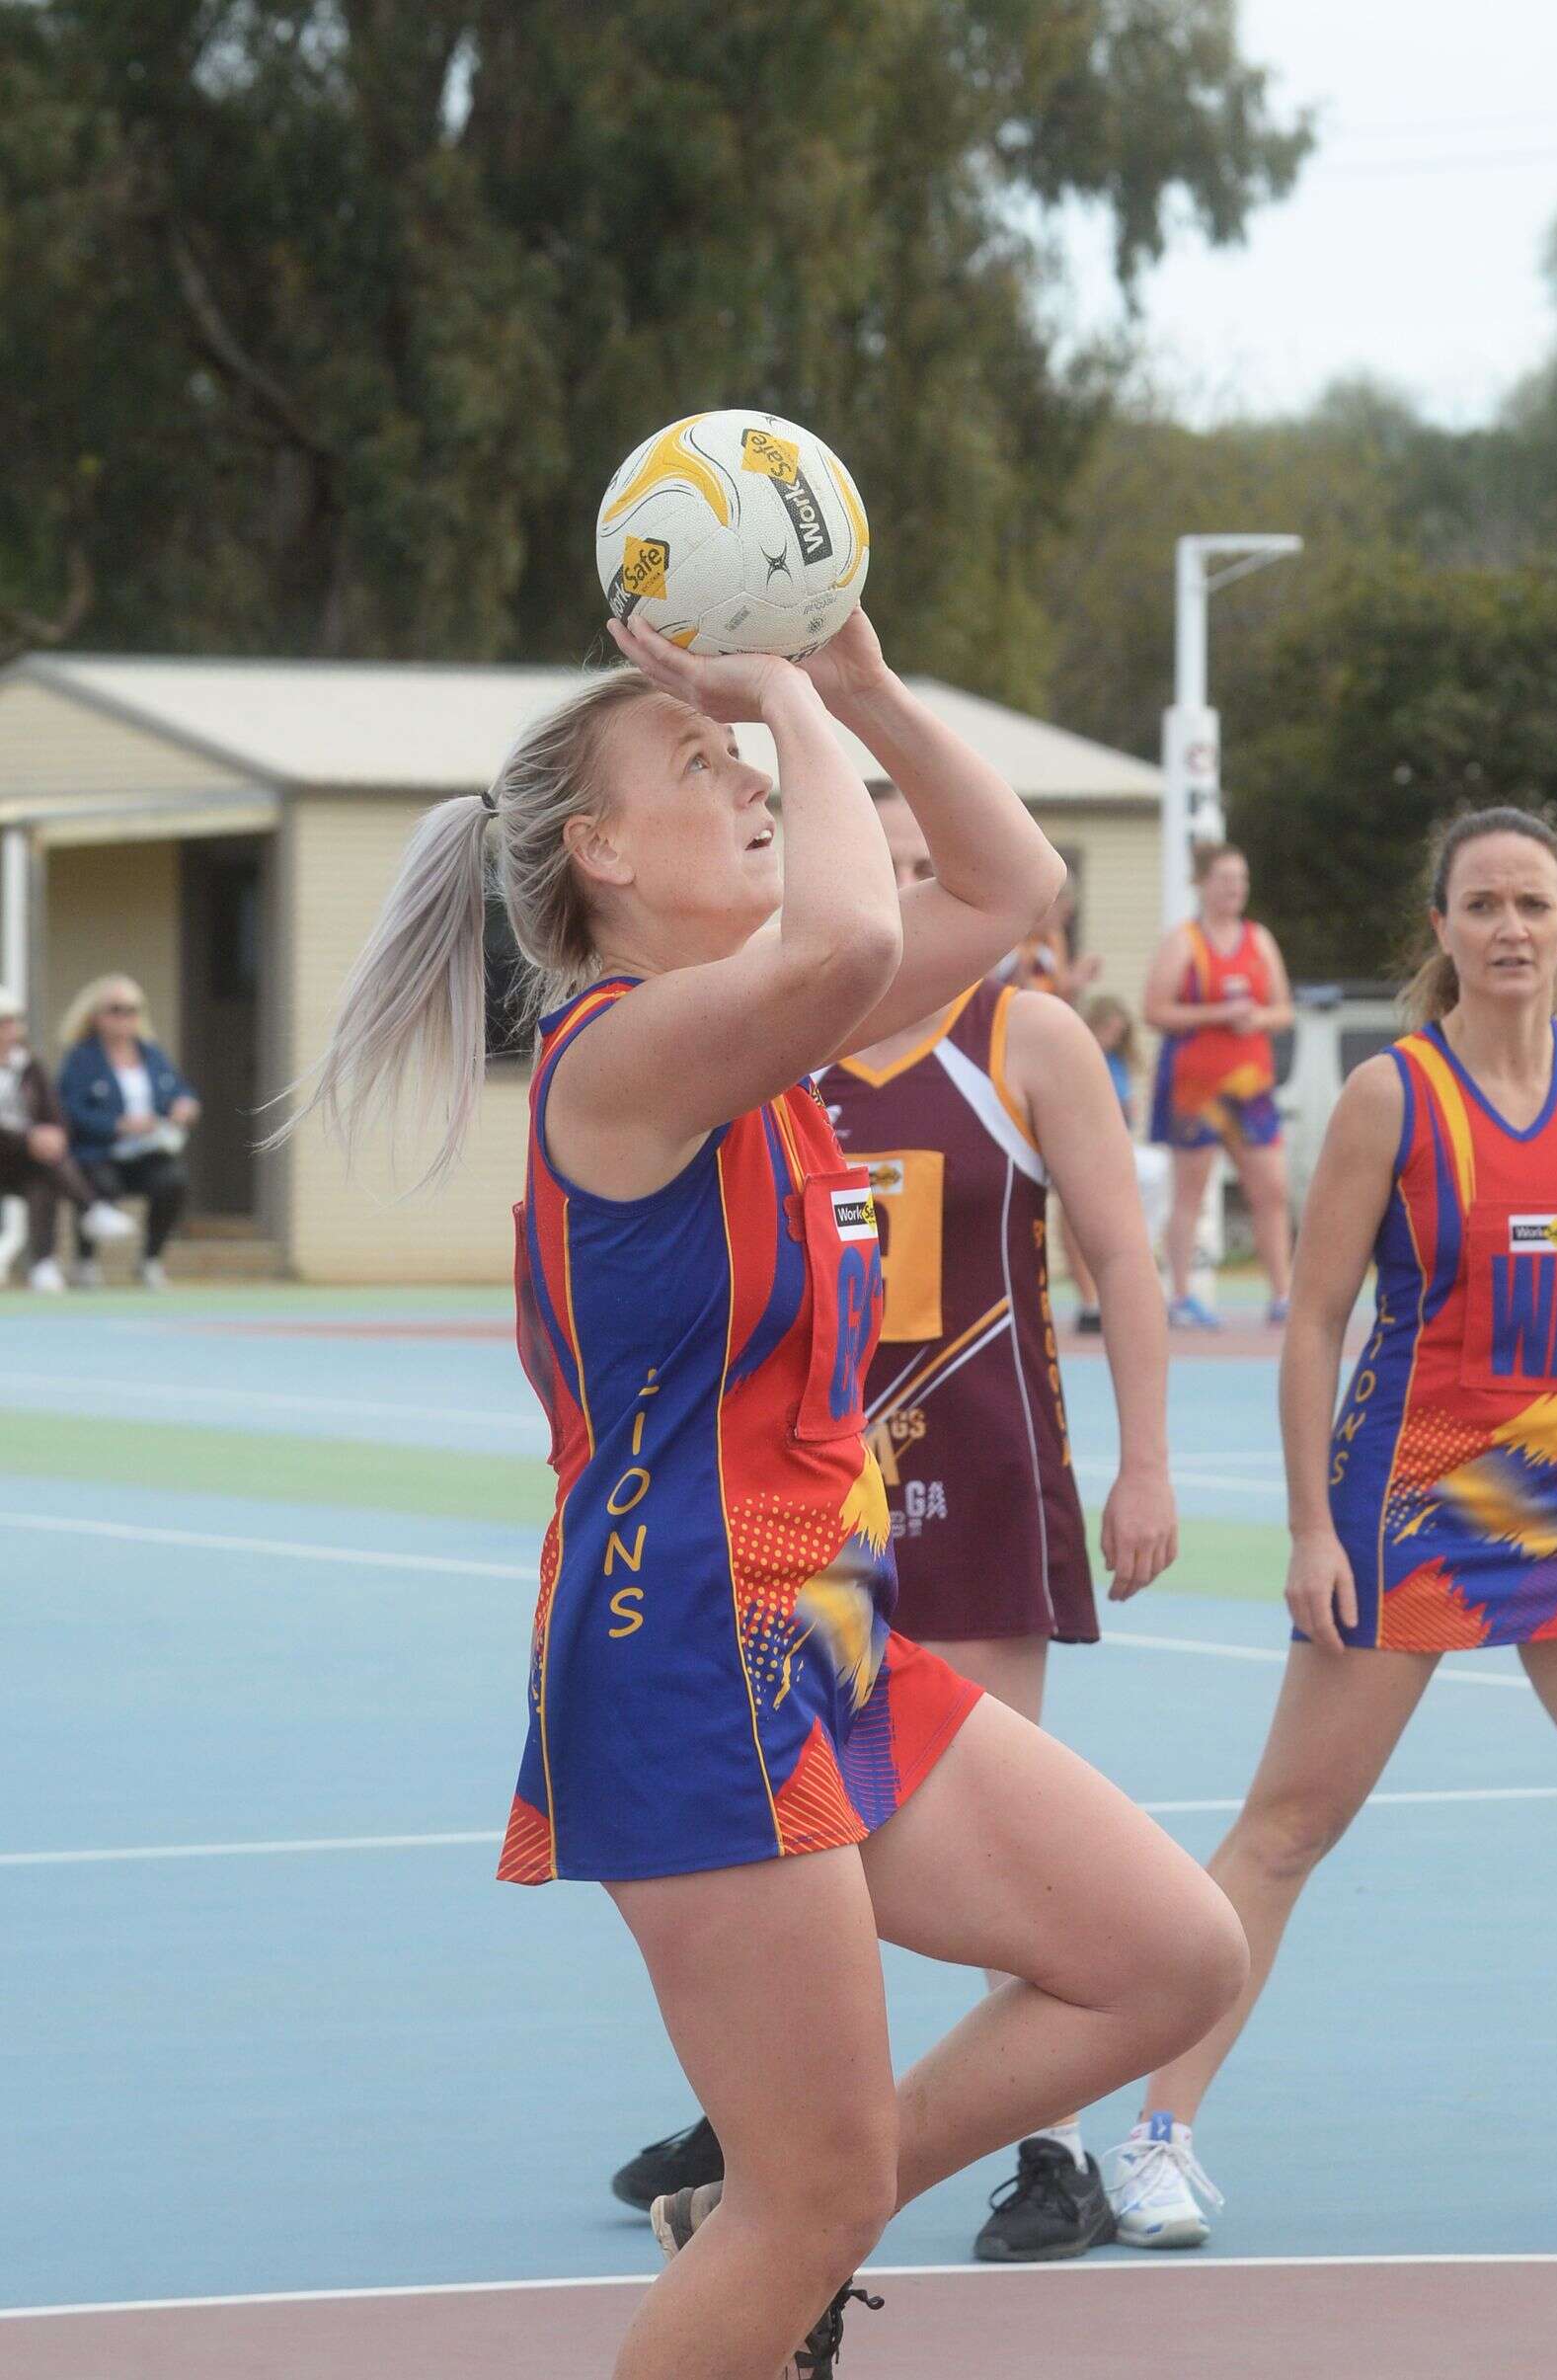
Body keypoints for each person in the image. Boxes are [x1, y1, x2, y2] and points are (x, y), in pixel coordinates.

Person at [282, 606, 1246, 2380]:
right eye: (701, 761)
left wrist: (861, 684)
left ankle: (775, 2210)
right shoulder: (622, 1054)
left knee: (1172, 1957)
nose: (749, 779)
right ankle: (785, 2221)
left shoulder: (765, 1038)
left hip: (829, 1623)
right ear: (600, 850)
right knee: (817, 2197)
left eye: (746, 757)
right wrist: (785, 694)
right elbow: (861, 923)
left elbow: (1012, 882)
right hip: (686, 1648)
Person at [611, 793, 1178, 2268]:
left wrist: (1144, 1464)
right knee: (807, 1816)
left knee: (1000, 1830)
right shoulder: (773, 1043)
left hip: (978, 1470)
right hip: (814, 1504)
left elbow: (1120, 1255)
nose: (907, 886)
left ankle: (1051, 2148)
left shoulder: (1026, 1037)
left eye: (928, 865)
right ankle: (763, 2115)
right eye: (880, 863)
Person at [1108, 806, 1557, 2253]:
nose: (1510, 926)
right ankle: (1151, 2133)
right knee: (1291, 1827)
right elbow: (1314, 1320)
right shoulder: (1393, 1094)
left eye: (1534, 901)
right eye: (1483, 903)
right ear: (1440, 928)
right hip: (1410, 1505)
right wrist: (1313, 1528)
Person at [1144, 842, 1293, 1329]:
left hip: (1251, 1087)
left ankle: (1282, 1294)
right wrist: (1217, 1014)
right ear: (1202, 884)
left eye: (1241, 879)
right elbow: (1154, 1010)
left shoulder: (1259, 939)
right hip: (1196, 1088)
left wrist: (1257, 1018)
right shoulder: (1183, 941)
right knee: (1190, 1191)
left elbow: (1283, 1010)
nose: (1235, 888)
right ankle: (1181, 1295)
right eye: (1225, 878)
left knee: (1271, 1189)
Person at [55, 977, 200, 1289]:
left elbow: (180, 1091)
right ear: (96, 1015)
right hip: (99, 1152)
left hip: (148, 1152)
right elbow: (70, 1109)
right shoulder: (82, 1058)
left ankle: (150, 1260)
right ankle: (85, 1261)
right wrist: (118, 1125)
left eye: (132, 1010)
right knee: (99, 1183)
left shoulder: (152, 1054)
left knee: (174, 1181)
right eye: (116, 1010)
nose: (124, 1018)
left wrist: (184, 1105)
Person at [0, 989, 135, 1290]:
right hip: (12, 1150)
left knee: (43, 1174)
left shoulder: (29, 1065)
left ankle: (43, 1263)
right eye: (3, 1022)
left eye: (12, 1022)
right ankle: (91, 1207)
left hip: (25, 1159)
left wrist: (55, 1134)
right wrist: (28, 1138)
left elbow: (54, 1110)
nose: (10, 1030)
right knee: (44, 1158)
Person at [1061, 993, 1142, 1334]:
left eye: (1118, 1033)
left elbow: (1126, 1106)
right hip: (1077, 1143)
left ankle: (1109, 1297)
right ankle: (1089, 1299)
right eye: (1109, 1030)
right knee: (1073, 1219)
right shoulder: (1075, 1054)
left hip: (1107, 1147)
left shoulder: (1117, 1061)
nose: (1113, 1038)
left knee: (1108, 1223)